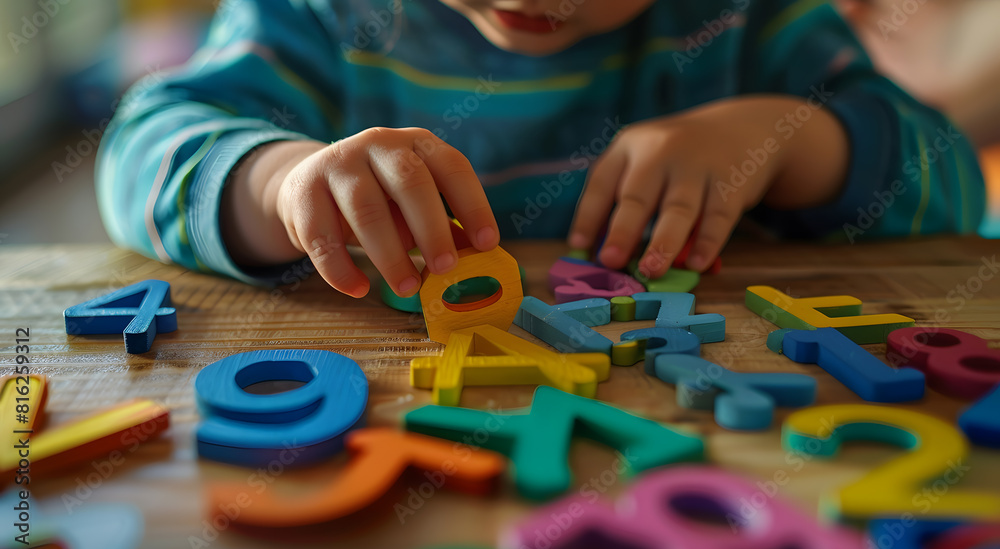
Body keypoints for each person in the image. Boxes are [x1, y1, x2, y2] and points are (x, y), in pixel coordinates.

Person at [96, 0, 985, 299]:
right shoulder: (319, 17)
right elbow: (142, 150)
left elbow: (947, 185)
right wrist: (278, 183)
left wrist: (790, 142)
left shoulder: (749, 22)